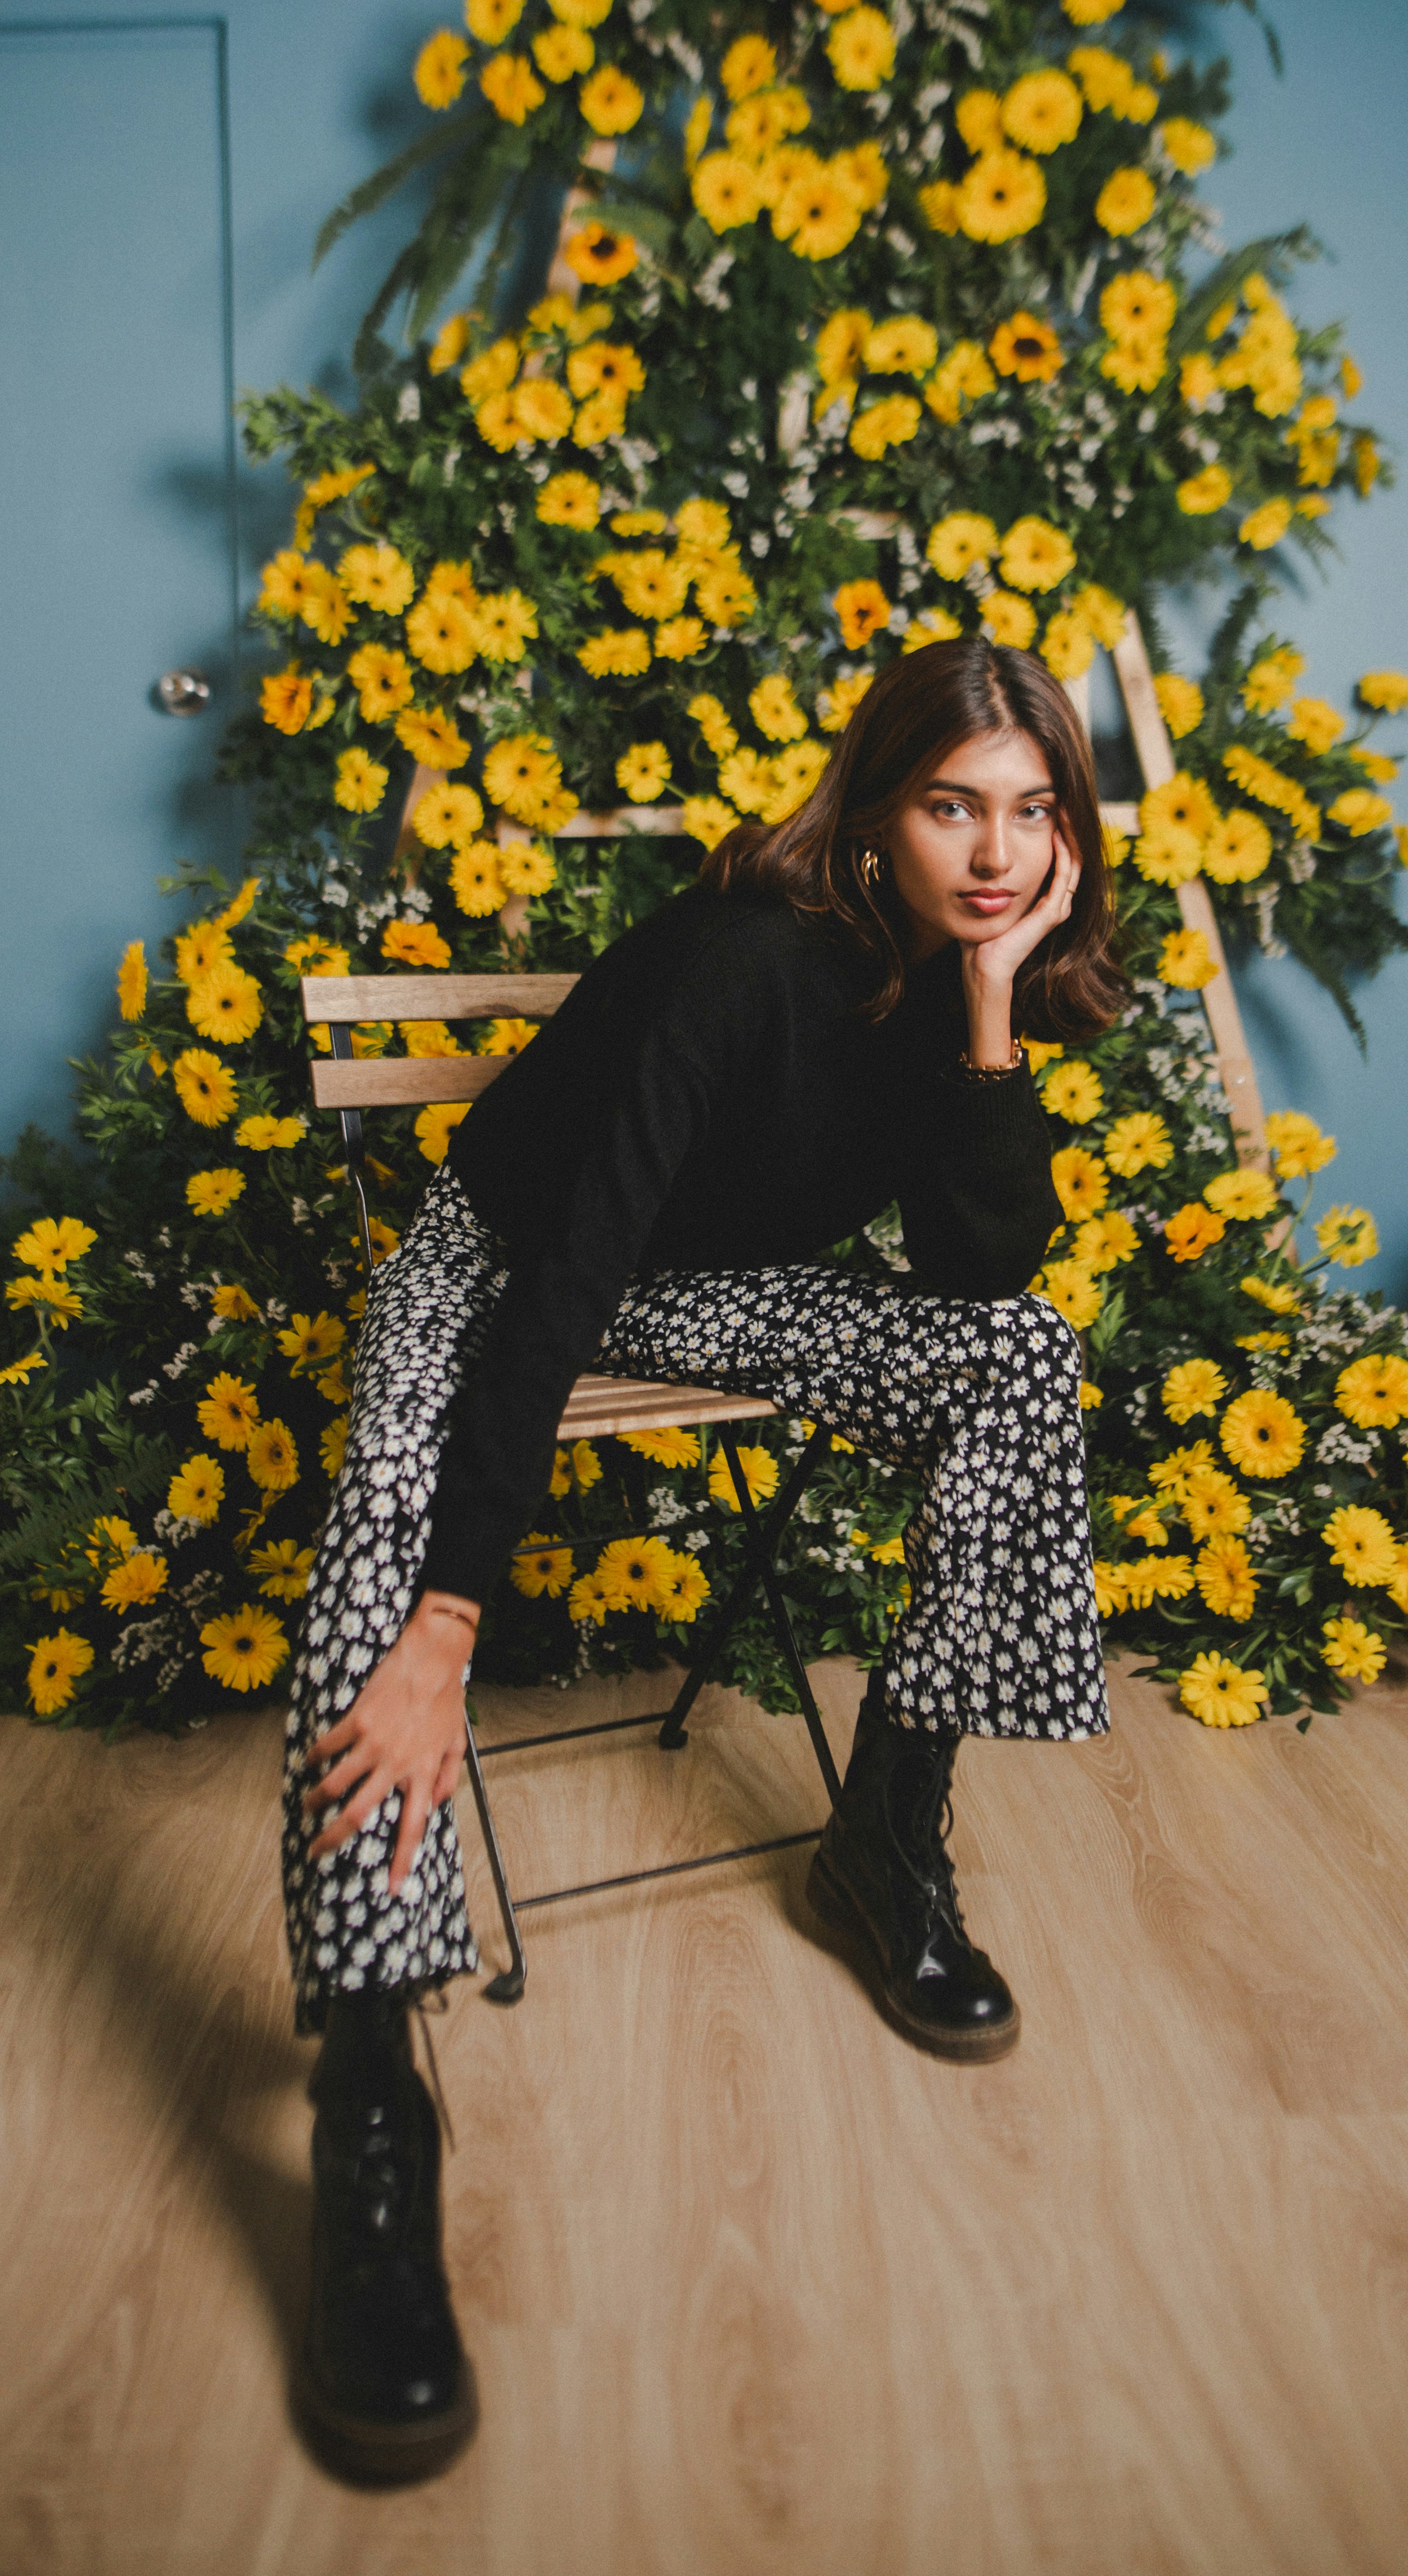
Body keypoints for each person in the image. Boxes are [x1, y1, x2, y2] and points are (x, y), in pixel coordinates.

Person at [281, 634, 1125, 2482]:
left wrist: (990, 1003)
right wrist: (442, 1620)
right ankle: (369, 2102)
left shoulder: (963, 970)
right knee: (372, 1585)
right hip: (512, 1263)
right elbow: (568, 1275)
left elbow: (984, 1277)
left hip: (712, 1287)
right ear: (877, 806)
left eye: (1030, 811)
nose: (994, 850)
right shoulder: (748, 961)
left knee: (1020, 1363)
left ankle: (884, 1839)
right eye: (950, 807)